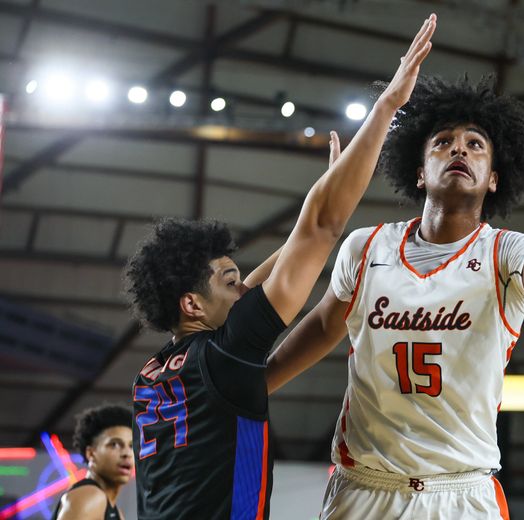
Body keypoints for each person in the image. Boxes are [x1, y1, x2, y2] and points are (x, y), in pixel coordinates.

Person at [266, 75, 524, 519]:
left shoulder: (507, 252)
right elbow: (322, 327)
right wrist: (245, 389)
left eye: (475, 145)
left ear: (494, 180)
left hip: (461, 495)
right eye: (443, 142)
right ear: (420, 173)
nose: (459, 150)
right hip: (364, 488)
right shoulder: (366, 247)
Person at [122, 14, 437, 520]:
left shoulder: (155, 373)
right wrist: (388, 106)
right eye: (230, 283)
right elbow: (322, 228)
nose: (244, 289)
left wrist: (313, 212)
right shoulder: (228, 354)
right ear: (192, 304)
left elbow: (281, 262)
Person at [51, 404, 133, 520]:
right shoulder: (90, 497)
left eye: (131, 446)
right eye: (114, 444)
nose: (127, 453)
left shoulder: (115, 511)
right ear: (91, 453)